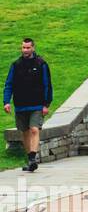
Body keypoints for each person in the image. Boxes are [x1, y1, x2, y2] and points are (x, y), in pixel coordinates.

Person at [4, 37, 52, 172]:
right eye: (23, 47)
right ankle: (30, 159)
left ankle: (32, 158)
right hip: (20, 104)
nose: (25, 50)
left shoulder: (41, 64)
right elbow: (9, 84)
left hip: (37, 104)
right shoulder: (16, 65)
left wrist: (46, 104)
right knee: (24, 132)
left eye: (28, 48)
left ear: (33, 48)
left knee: (34, 129)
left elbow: (47, 84)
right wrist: (6, 102)